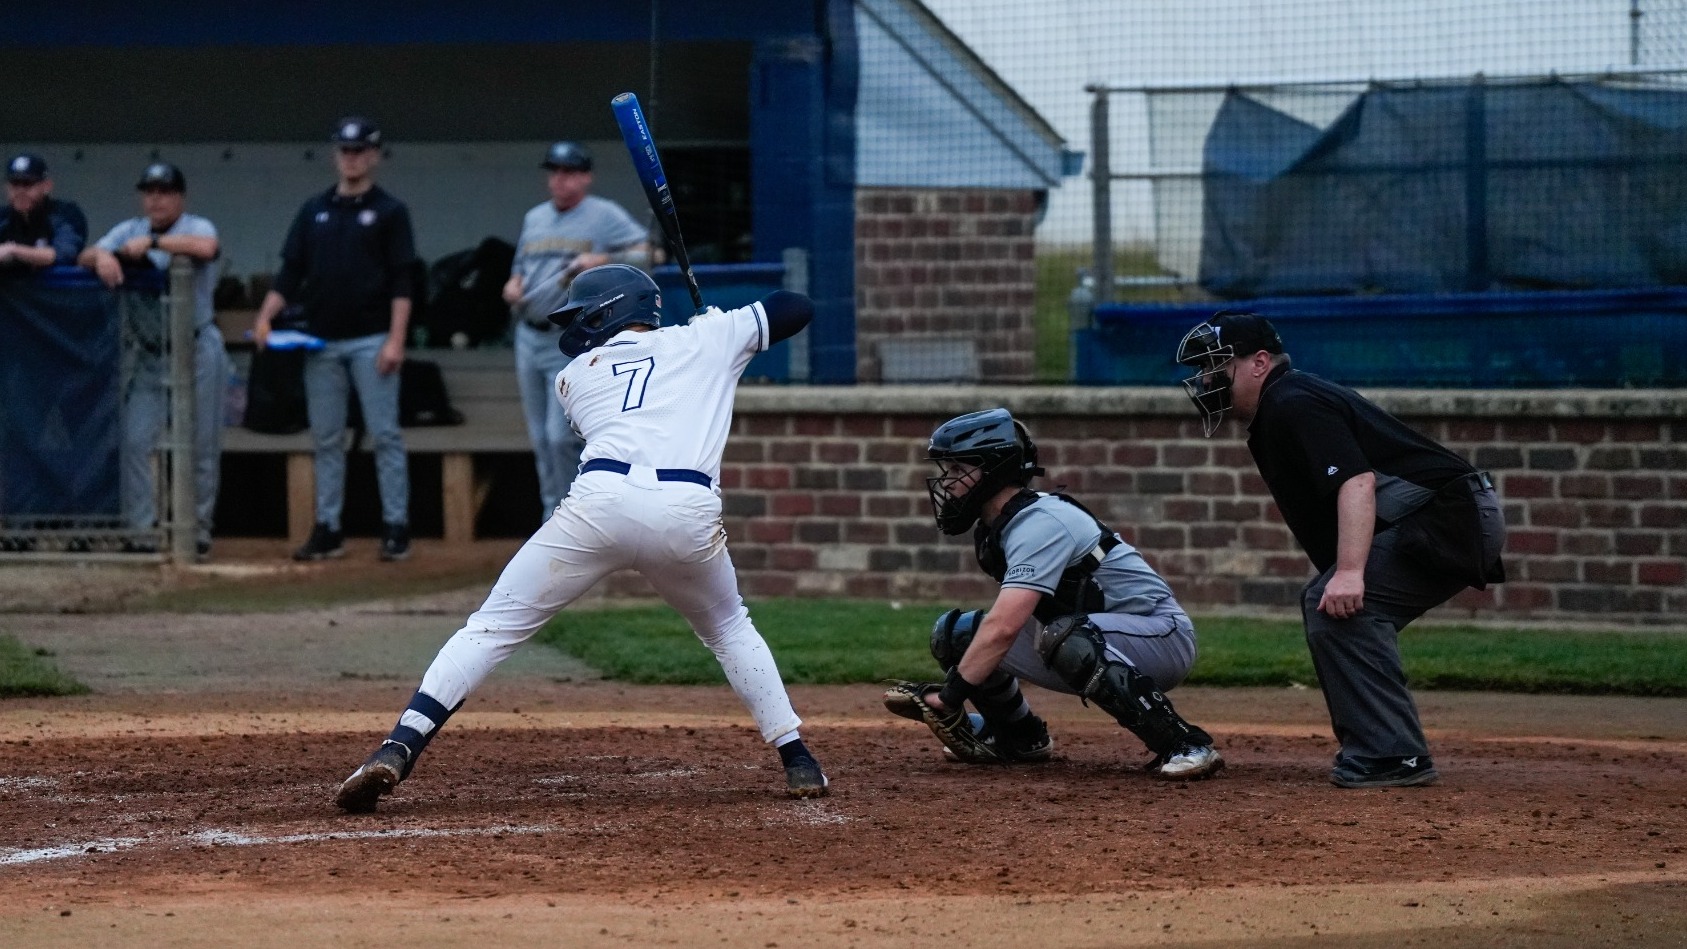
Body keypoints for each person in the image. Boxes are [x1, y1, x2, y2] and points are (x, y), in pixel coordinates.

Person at [334, 264, 828, 812]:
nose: (576, 327)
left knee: (492, 627)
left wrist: (714, 337)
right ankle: (798, 758)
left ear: (609, 310)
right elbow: (796, 306)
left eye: (583, 313)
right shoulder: (706, 338)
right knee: (730, 627)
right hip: (687, 514)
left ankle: (399, 745)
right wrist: (728, 328)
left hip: (599, 506)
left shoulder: (574, 377)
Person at [1174, 310, 1506, 789]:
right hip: (1446, 514)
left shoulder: (1292, 401)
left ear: (1259, 363)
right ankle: (1385, 749)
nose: (1207, 380)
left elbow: (1357, 479)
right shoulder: (1283, 403)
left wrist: (1351, 572)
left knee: (1338, 603)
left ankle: (1392, 755)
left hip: (1449, 517)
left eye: (1216, 367)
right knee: (1335, 604)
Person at [883, 408, 1224, 781]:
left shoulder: (1040, 523)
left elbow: (1006, 625)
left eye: (957, 470)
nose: (947, 482)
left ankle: (1184, 744)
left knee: (1064, 636)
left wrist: (948, 699)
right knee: (958, 635)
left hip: (1161, 636)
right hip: (1095, 635)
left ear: (994, 470)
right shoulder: (998, 526)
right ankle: (1020, 738)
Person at [253, 116, 417, 562]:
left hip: (372, 338)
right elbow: (291, 271)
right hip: (321, 342)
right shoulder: (314, 210)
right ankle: (328, 527)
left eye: (361, 150)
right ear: (335, 155)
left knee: (384, 435)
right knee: (325, 438)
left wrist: (396, 339)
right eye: (345, 151)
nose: (352, 158)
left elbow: (403, 281)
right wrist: (266, 315)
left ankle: (396, 525)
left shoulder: (389, 211)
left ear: (375, 155)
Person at [78, 162, 226, 558]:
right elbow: (84, 256)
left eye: (164, 191)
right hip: (150, 354)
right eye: (150, 191)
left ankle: (196, 531)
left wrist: (158, 246)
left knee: (200, 445)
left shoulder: (196, 226)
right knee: (135, 440)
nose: (156, 199)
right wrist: (105, 256)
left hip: (196, 347)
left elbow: (207, 249)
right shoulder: (130, 229)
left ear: (180, 197)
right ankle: (141, 533)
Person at [501, 141, 650, 518]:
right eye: (554, 172)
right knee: (538, 437)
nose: (560, 180)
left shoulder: (603, 215)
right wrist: (513, 284)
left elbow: (649, 254)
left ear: (586, 177)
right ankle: (550, 514)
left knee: (559, 436)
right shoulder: (535, 217)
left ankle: (571, 514)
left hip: (568, 338)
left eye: (569, 172)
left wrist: (602, 259)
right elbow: (521, 265)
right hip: (528, 333)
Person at [0, 153, 87, 274]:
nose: (20, 191)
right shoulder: (3, 217)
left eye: (28, 184)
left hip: (56, 291)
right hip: (11, 291)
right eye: (15, 184)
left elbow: (63, 254)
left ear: (46, 186)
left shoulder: (65, 214)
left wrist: (14, 250)